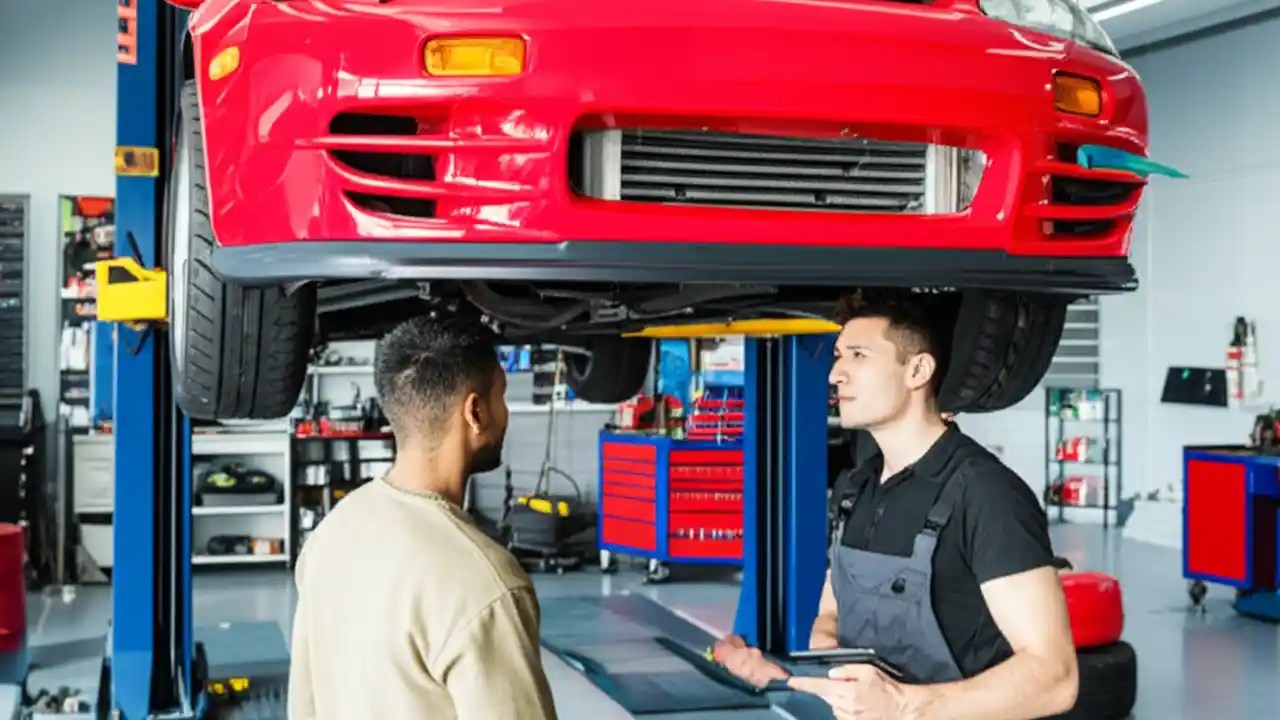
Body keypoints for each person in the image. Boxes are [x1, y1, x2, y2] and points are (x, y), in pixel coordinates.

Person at [714, 292, 1077, 720]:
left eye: (859, 355)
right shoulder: (856, 487)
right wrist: (791, 671)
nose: (835, 374)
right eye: (837, 356)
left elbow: (1055, 678)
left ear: (918, 370)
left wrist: (904, 705)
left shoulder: (986, 493)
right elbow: (831, 614)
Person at [287, 313, 558, 720]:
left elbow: (305, 705)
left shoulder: (332, 533)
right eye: (500, 396)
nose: (505, 413)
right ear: (475, 412)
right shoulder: (484, 583)